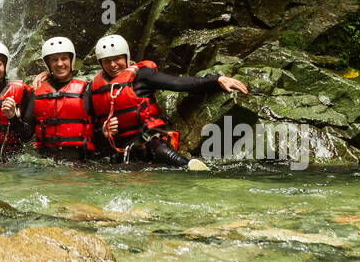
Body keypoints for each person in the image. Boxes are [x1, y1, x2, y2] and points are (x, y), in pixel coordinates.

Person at [87, 34, 249, 169]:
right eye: (107, 61)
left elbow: (178, 84)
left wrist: (216, 80)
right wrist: (103, 131)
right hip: (121, 151)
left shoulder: (142, 76)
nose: (113, 65)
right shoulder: (93, 89)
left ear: (127, 58)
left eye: (117, 59)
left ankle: (191, 169)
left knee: (159, 149)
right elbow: (89, 130)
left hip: (148, 141)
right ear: (100, 63)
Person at [29, 37, 94, 161]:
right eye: (54, 60)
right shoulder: (36, 89)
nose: (60, 64)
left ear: (71, 60)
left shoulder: (87, 89)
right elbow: (26, 133)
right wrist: (12, 117)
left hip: (80, 162)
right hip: (44, 163)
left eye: (64, 58)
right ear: (48, 64)